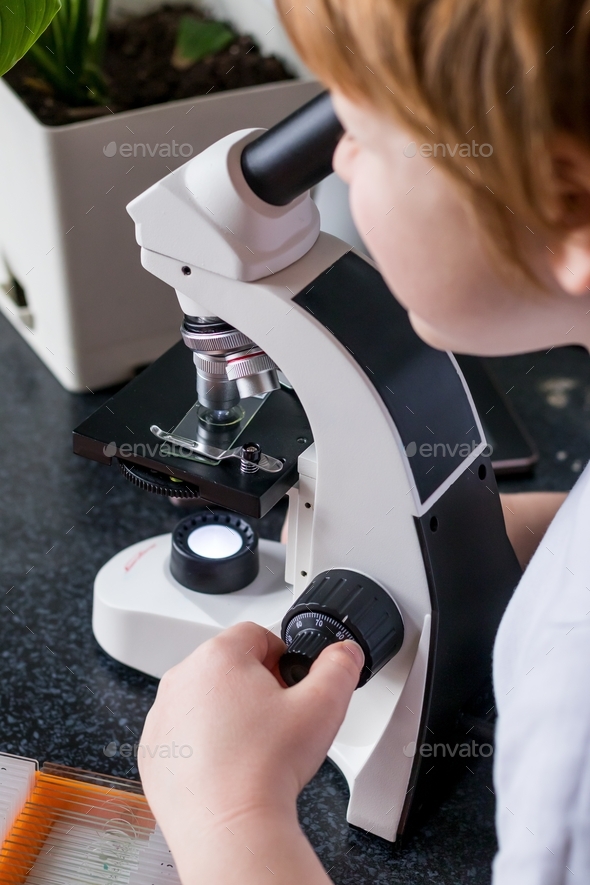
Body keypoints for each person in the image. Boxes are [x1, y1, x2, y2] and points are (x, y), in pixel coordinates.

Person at [138, 1, 590, 882]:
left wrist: (232, 814)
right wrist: (490, 550)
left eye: (366, 129)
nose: (337, 158)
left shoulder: (575, 719)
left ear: (568, 197)